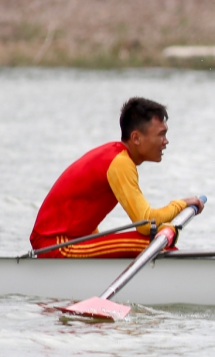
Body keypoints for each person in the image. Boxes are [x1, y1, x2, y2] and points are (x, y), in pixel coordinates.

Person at [30, 97, 205, 258]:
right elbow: (145, 223)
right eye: (161, 134)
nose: (166, 141)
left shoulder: (115, 156)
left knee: (159, 234)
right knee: (156, 242)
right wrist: (181, 204)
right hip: (56, 244)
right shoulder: (120, 163)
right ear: (136, 138)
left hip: (68, 239)